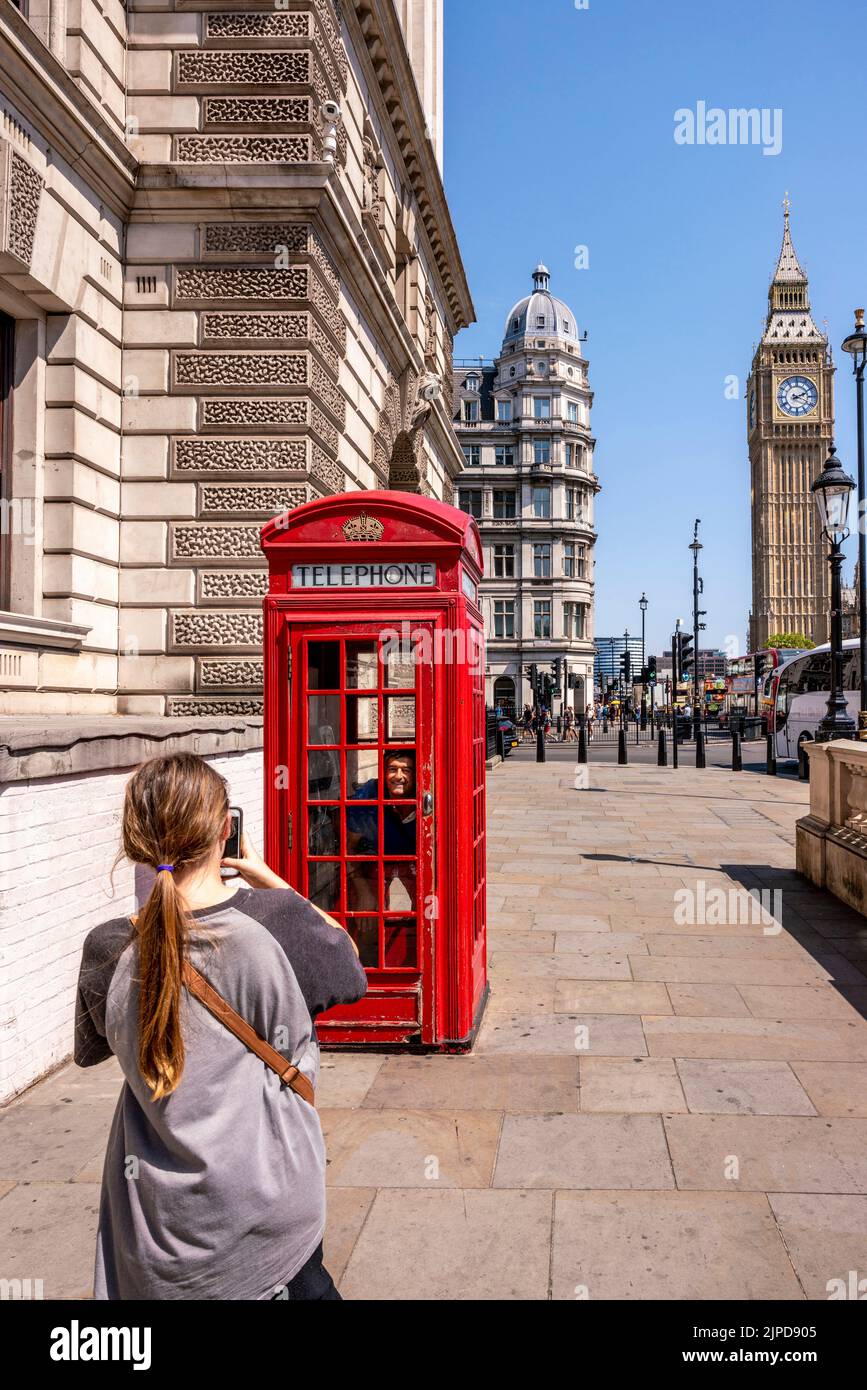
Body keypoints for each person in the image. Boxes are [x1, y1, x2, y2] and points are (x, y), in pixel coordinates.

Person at [74, 752, 368, 1301]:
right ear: (225, 829)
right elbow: (350, 963)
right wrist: (268, 878)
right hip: (271, 1223)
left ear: (135, 839)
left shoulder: (108, 946)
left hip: (159, 1232)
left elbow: (93, 1048)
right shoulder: (277, 923)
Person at [346, 750, 417, 966]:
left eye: (406, 770)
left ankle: (414, 962)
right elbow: (349, 848)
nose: (398, 776)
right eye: (392, 769)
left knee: (427, 918)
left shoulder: (428, 793)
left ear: (416, 775)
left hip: (415, 861)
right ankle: (367, 968)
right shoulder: (368, 795)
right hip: (375, 860)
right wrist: (364, 891)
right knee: (367, 920)